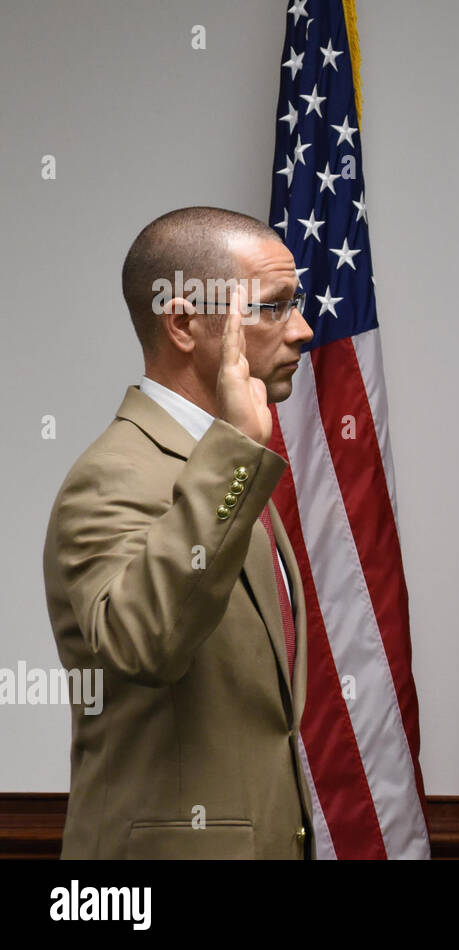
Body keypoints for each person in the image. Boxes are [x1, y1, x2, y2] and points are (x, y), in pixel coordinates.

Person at [42, 206, 316, 858]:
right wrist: (232, 457)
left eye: (296, 304)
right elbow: (143, 643)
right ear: (186, 322)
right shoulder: (113, 476)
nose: (302, 331)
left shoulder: (226, 464)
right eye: (273, 307)